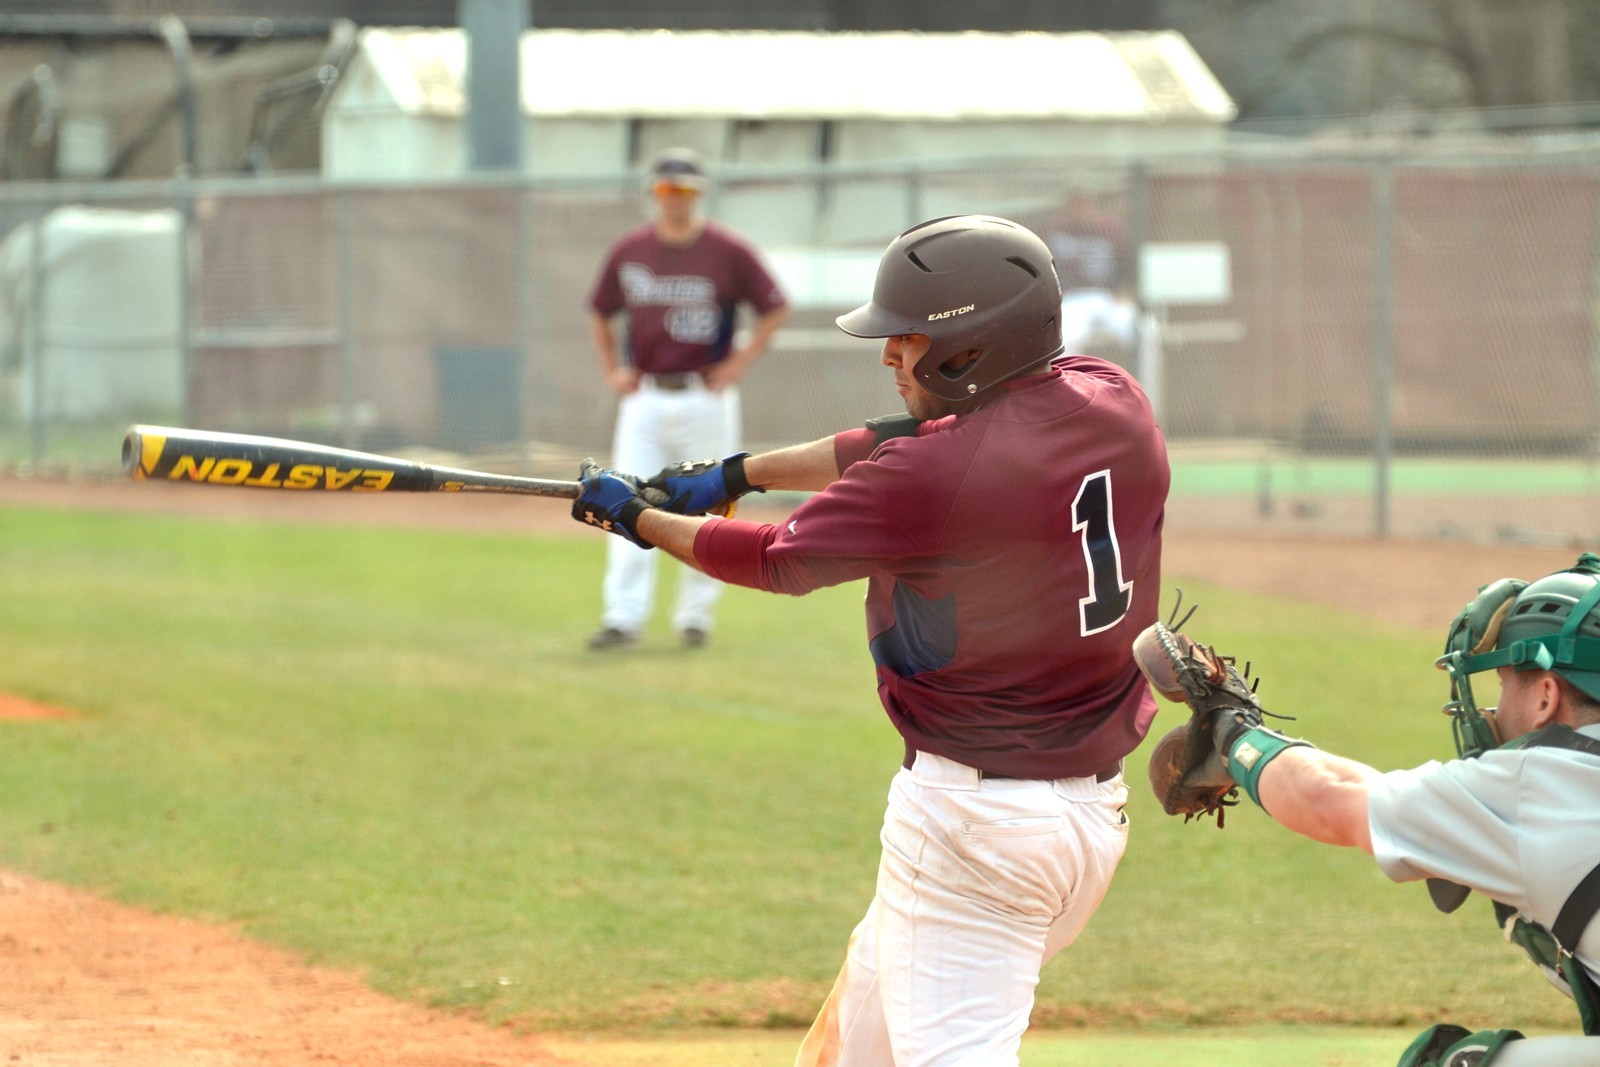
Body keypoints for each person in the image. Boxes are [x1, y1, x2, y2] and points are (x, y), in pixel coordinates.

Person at [570, 214, 1171, 1066]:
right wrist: (738, 473)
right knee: (858, 1048)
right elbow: (904, 441)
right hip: (1084, 817)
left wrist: (639, 518)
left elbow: (775, 558)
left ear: (971, 351)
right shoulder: (1113, 398)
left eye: (909, 337)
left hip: (972, 827)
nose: (890, 354)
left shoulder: (931, 481)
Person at [1162, 556, 1600, 1067]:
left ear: (1547, 695)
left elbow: (1329, 798)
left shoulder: (1542, 778)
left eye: (1505, 682)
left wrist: (1232, 730)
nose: (1495, 707)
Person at [583, 146, 790, 650]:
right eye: (665, 189)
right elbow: (599, 310)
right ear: (653, 193)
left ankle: (695, 616)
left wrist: (739, 361)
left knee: (711, 503)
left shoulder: (726, 249)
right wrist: (613, 369)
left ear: (699, 193)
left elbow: (775, 307)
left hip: (704, 394)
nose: (674, 199)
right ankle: (623, 617)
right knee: (622, 496)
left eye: (684, 190)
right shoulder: (631, 250)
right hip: (647, 396)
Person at [1046, 191, 1137, 360]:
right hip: (1070, 298)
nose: (1082, 209)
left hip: (1108, 297)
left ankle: (1144, 385)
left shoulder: (1110, 229)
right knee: (1064, 337)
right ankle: (1066, 385)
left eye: (1086, 203)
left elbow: (1128, 264)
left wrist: (1126, 290)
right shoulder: (1053, 229)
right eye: (1077, 204)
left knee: (1144, 331)